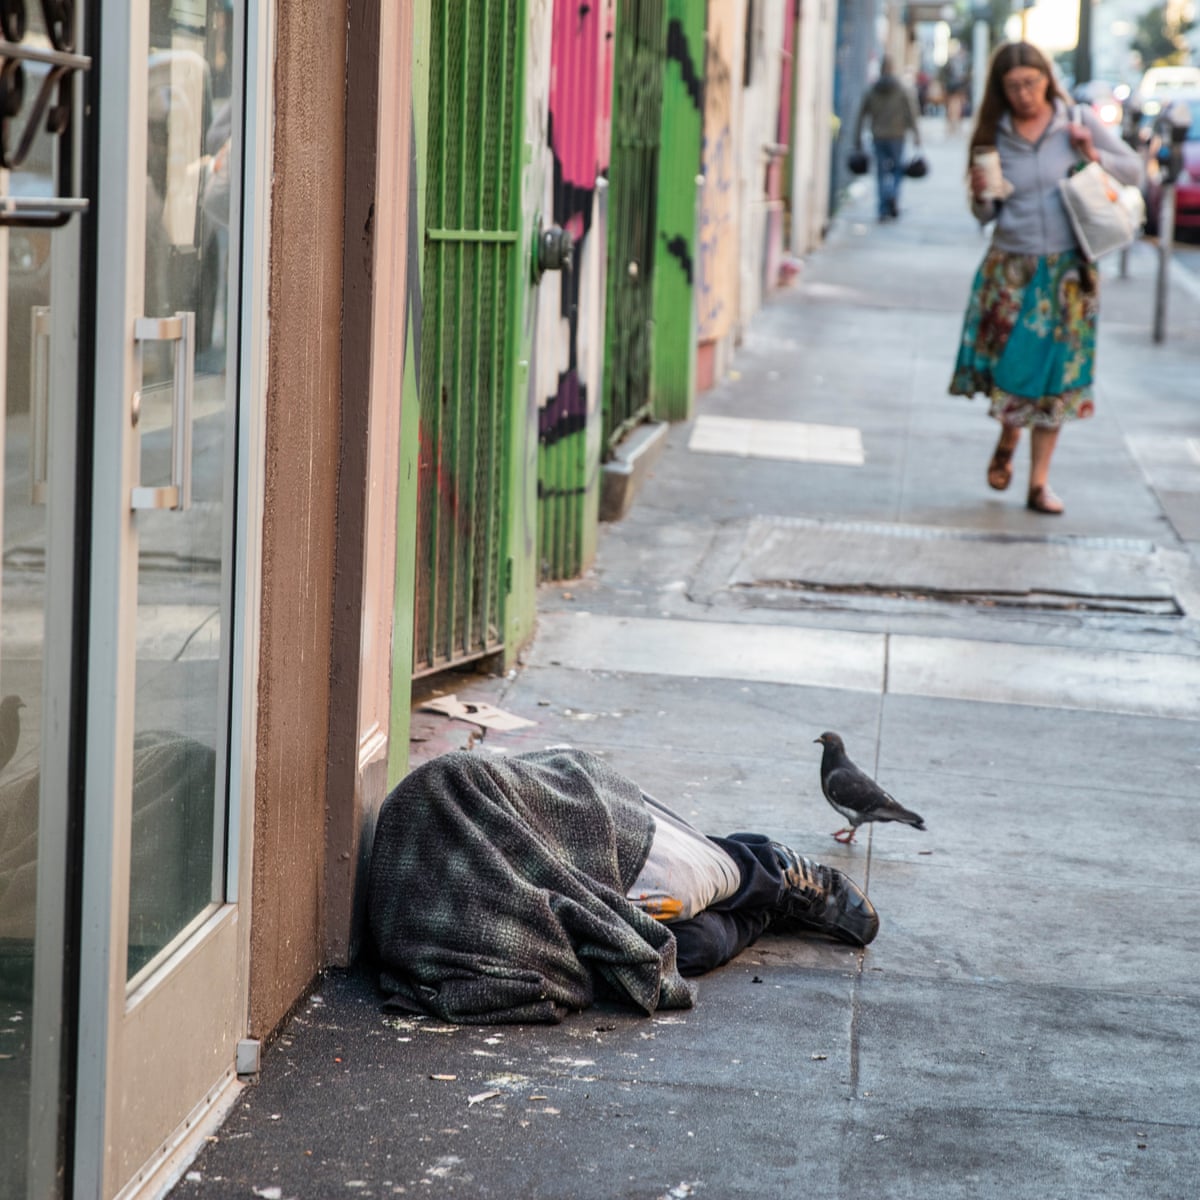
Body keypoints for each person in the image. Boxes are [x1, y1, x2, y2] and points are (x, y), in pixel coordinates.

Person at [367, 748, 879, 1024]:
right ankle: (765, 908)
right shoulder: (433, 901)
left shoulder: (467, 822)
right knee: (687, 948)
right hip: (540, 859)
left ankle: (771, 869)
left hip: (590, 818)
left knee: (695, 882)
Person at [948, 41, 1142, 515]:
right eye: (1013, 87)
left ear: (1046, 79)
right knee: (1014, 370)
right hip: (1011, 267)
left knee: (1057, 378)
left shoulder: (1074, 119)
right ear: (1001, 90)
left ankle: (1038, 484)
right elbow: (984, 213)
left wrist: (1091, 151)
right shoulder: (994, 134)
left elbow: (1134, 170)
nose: (1024, 95)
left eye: (1031, 83)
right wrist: (980, 196)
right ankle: (1009, 432)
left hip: (1068, 273)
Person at [852, 57, 922, 221]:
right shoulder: (902, 89)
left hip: (879, 136)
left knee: (882, 172)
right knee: (897, 170)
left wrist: (857, 137)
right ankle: (893, 196)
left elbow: (861, 115)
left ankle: (884, 206)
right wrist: (917, 134)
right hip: (897, 136)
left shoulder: (872, 90)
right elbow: (911, 113)